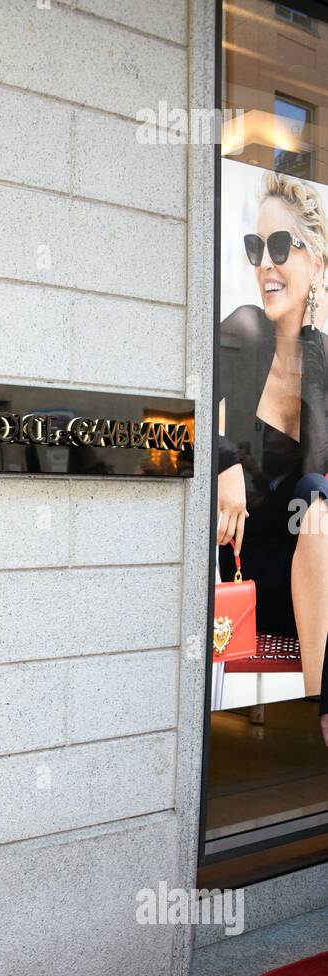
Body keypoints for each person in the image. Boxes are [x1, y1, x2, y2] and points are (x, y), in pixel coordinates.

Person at [217, 170, 328, 712]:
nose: (265, 262)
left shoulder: (324, 360)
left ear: (317, 263)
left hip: (319, 566)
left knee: (316, 490)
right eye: (255, 247)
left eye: (280, 245)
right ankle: (318, 712)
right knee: (314, 489)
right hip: (253, 577)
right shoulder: (244, 331)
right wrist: (224, 459)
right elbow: (178, 413)